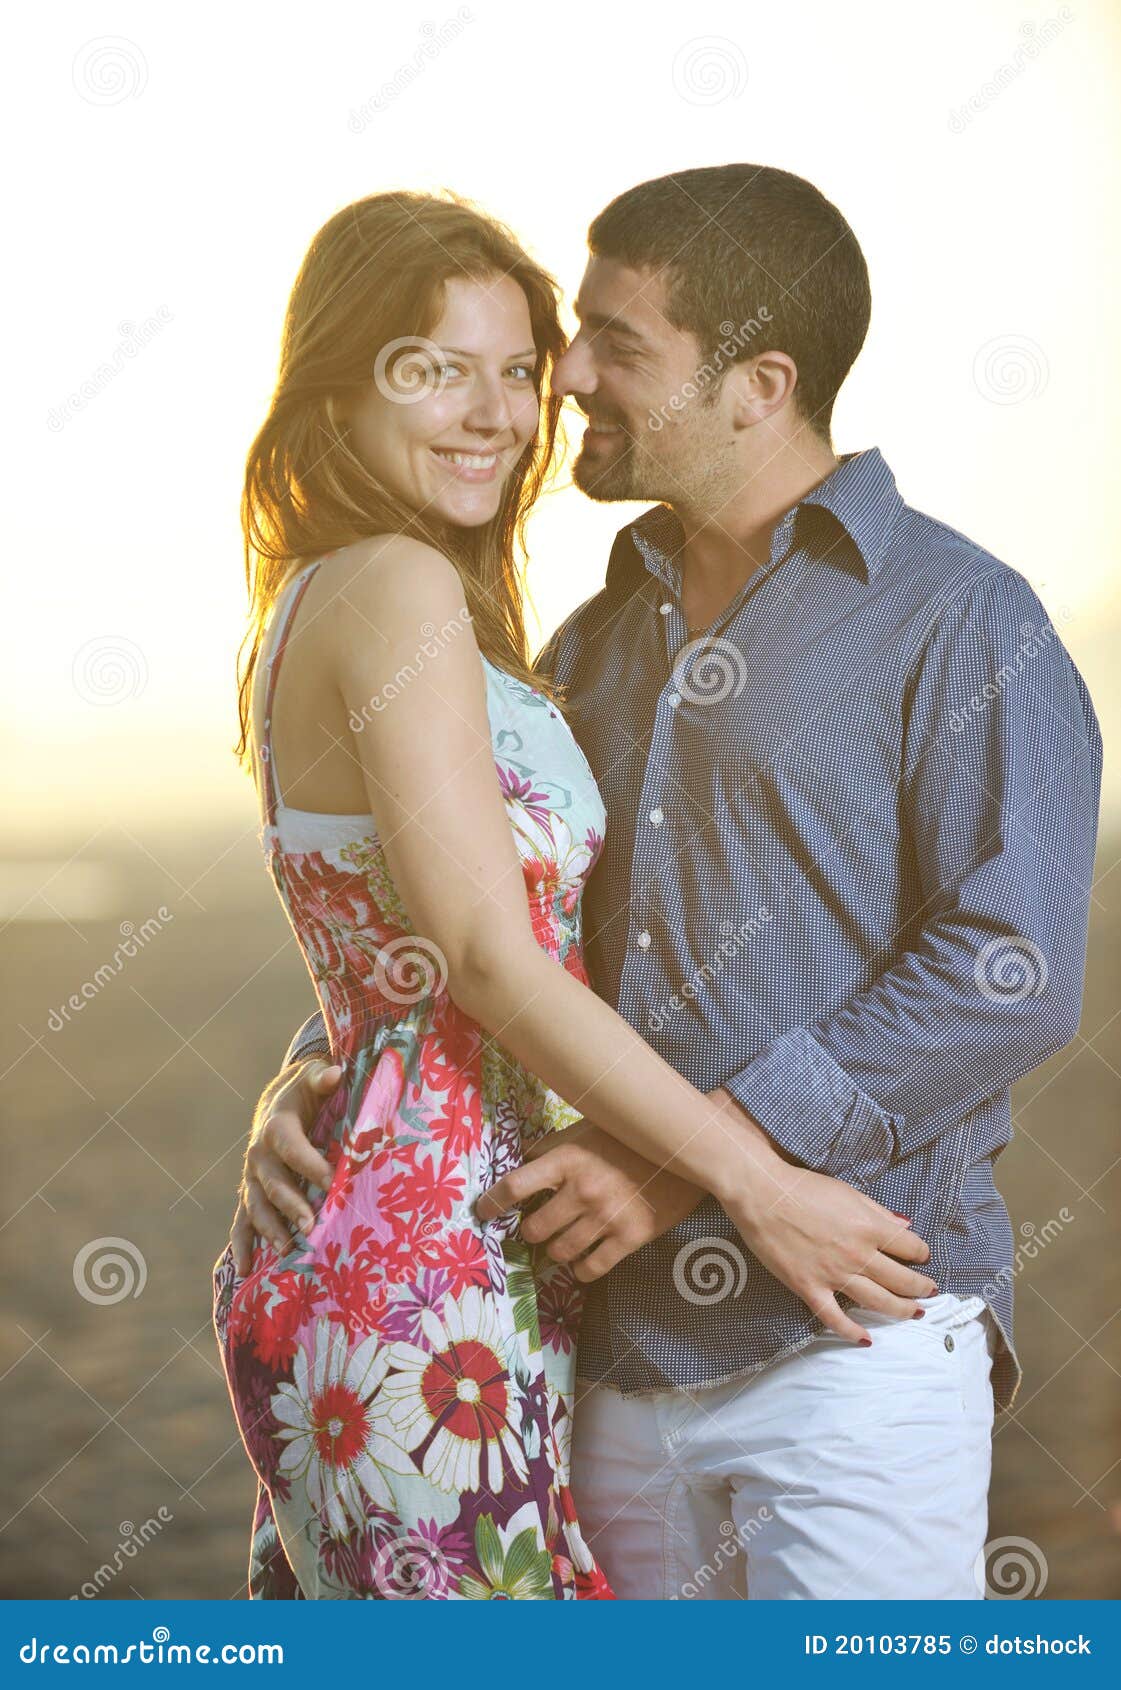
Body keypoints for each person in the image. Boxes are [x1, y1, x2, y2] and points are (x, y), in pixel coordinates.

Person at [232, 165, 1102, 1600]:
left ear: (759, 385)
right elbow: (489, 917)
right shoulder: (587, 646)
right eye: (558, 342)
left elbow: (1009, 973)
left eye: (609, 345)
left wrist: (695, 1157)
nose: (564, 378)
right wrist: (317, 1072)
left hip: (842, 1329)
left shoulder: (958, 619)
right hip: (604, 1354)